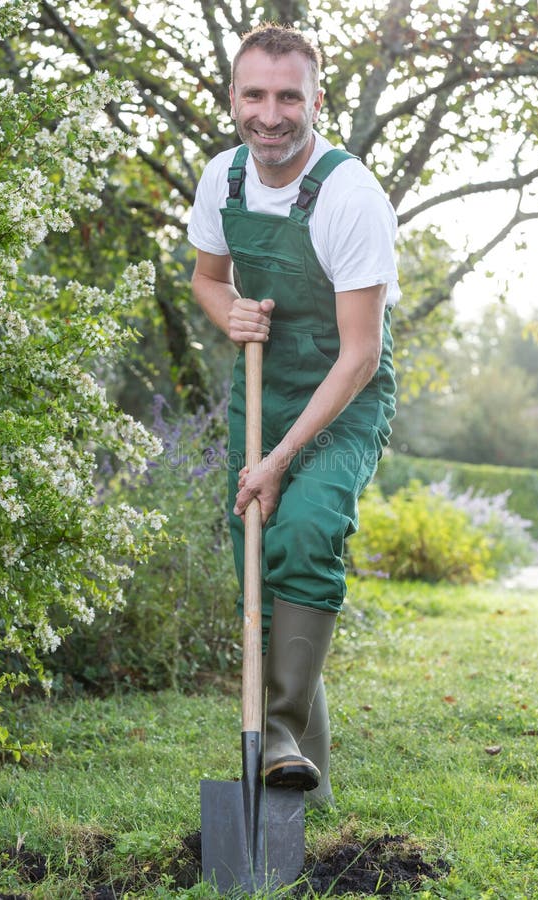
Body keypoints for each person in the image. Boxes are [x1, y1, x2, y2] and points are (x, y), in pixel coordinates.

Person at [187, 23, 398, 808]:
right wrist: (227, 311)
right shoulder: (223, 178)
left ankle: (275, 729)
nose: (269, 114)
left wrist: (279, 462)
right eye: (254, 94)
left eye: (288, 97)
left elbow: (360, 354)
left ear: (317, 101)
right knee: (261, 561)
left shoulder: (350, 195)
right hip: (264, 389)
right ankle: (297, 786)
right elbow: (208, 280)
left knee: (306, 530)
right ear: (233, 96)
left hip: (343, 395)